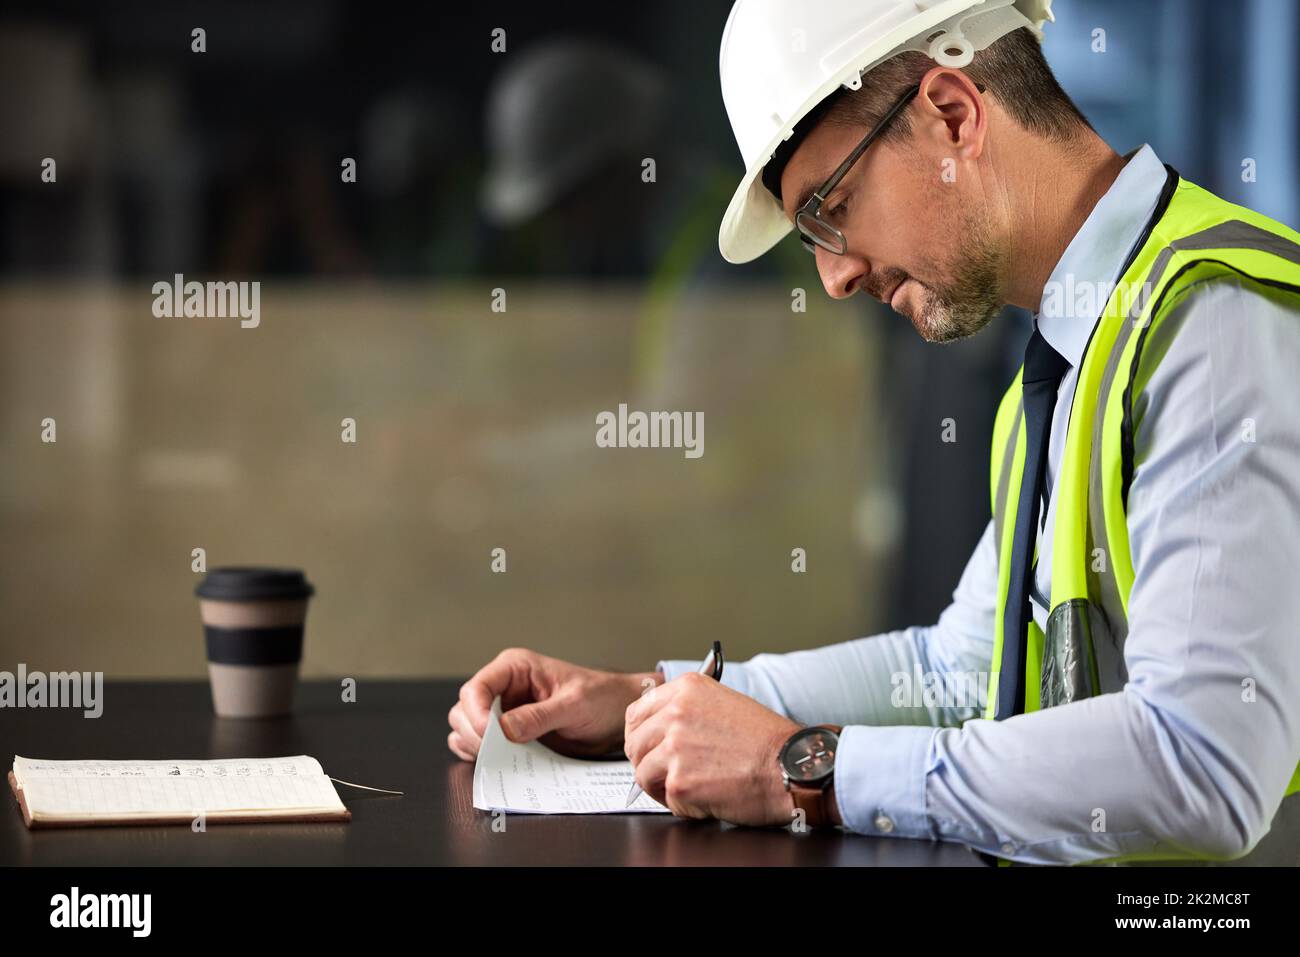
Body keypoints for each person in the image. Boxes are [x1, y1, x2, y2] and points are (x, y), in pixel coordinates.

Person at [448, 0, 1300, 865]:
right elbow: (955, 673)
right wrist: (652, 697)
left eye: (833, 205)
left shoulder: (1212, 324)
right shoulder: (1070, 363)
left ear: (953, 114)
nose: (834, 276)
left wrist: (801, 769)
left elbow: (1206, 763)